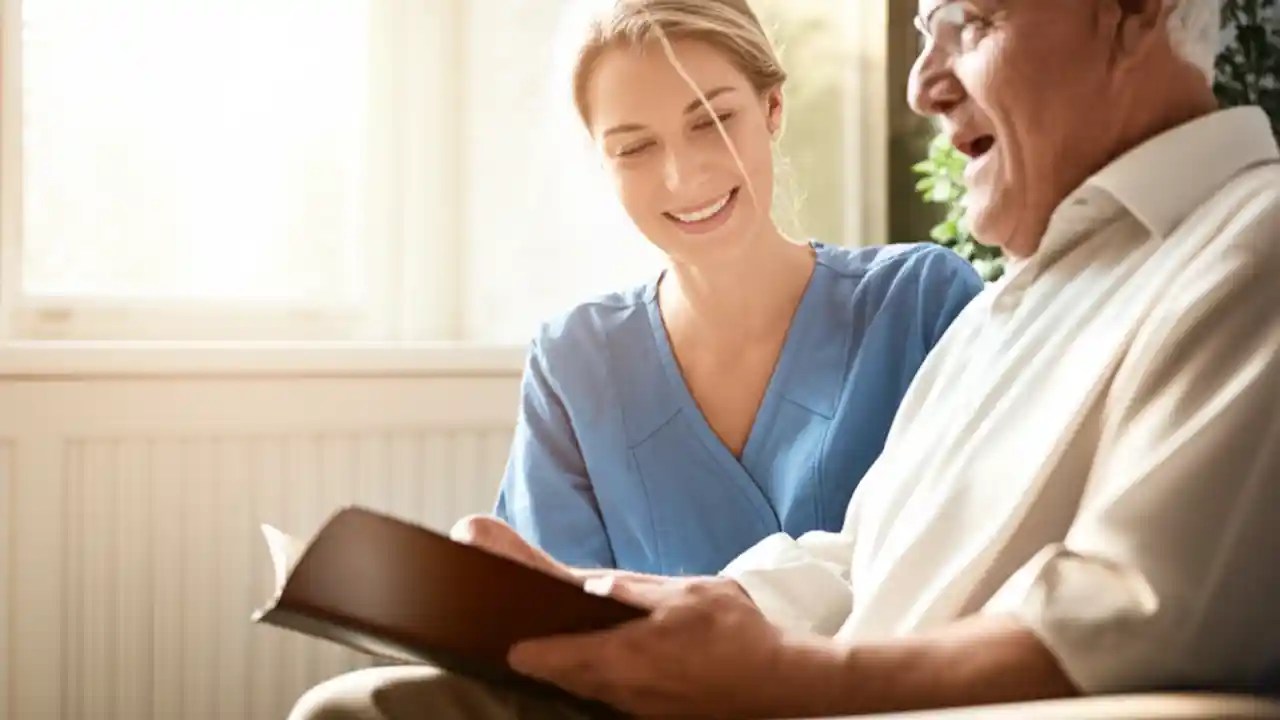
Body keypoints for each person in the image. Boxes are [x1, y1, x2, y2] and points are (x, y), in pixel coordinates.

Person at [290, 0, 1280, 717]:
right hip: (803, 683)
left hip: (848, 701)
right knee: (360, 708)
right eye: (921, 32)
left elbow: (1141, 619)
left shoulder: (1250, 241)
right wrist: (622, 604)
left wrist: (782, 683)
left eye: (971, 23)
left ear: (1138, 10)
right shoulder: (1020, 303)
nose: (920, 87)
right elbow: (860, 560)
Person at [490, 0, 982, 576]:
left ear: (772, 108)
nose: (682, 175)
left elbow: (978, 560)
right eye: (635, 148)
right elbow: (550, 621)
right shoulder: (575, 362)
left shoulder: (919, 305)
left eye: (712, 121)